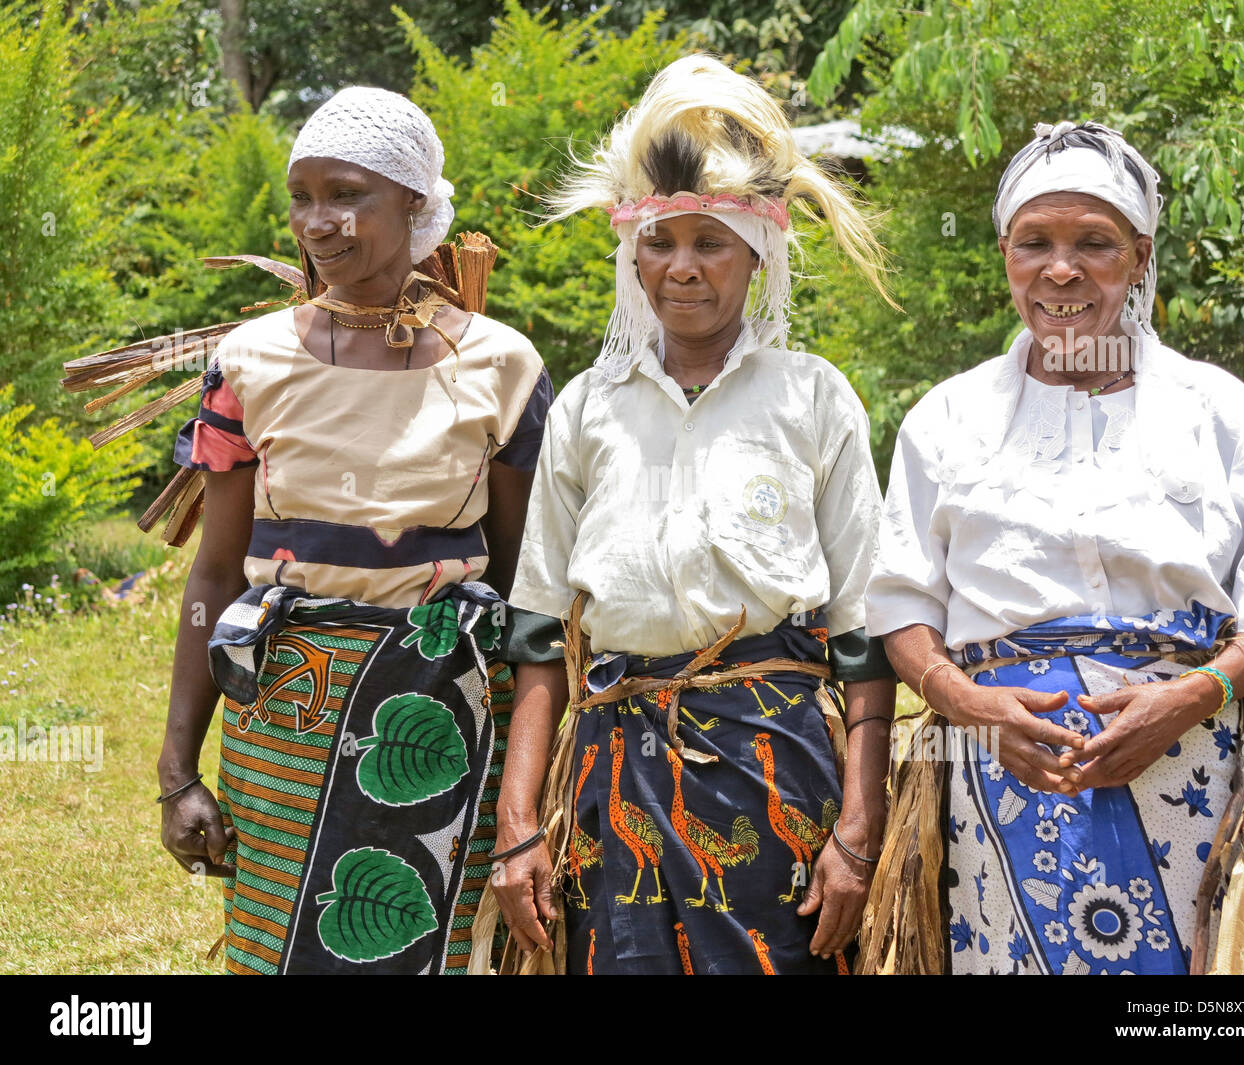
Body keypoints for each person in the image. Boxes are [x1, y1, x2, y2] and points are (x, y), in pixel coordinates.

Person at [490, 55, 897, 975]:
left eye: (711, 241)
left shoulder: (814, 401)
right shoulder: (588, 407)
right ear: (632, 253)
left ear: (759, 252)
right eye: (663, 242)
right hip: (613, 765)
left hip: (778, 768)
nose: (683, 268)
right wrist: (519, 827)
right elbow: (540, 632)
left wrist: (859, 831)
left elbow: (867, 635)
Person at [866, 120, 1244, 975]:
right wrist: (969, 704)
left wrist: (1188, 698)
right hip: (999, 780)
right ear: (1004, 253)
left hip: (1193, 773)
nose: (1061, 270)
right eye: (1036, 242)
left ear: (1139, 257)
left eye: (1093, 243)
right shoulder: (947, 420)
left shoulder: (1222, 412)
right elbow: (903, 604)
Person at [155, 86, 552, 974]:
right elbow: (216, 577)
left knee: (430, 943)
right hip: (285, 719)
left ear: (416, 203)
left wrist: (532, 787)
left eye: (346, 194)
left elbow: (532, 587)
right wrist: (178, 771)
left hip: (438, 719)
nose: (317, 222)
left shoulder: (500, 364)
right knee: (279, 952)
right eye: (302, 196)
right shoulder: (249, 362)